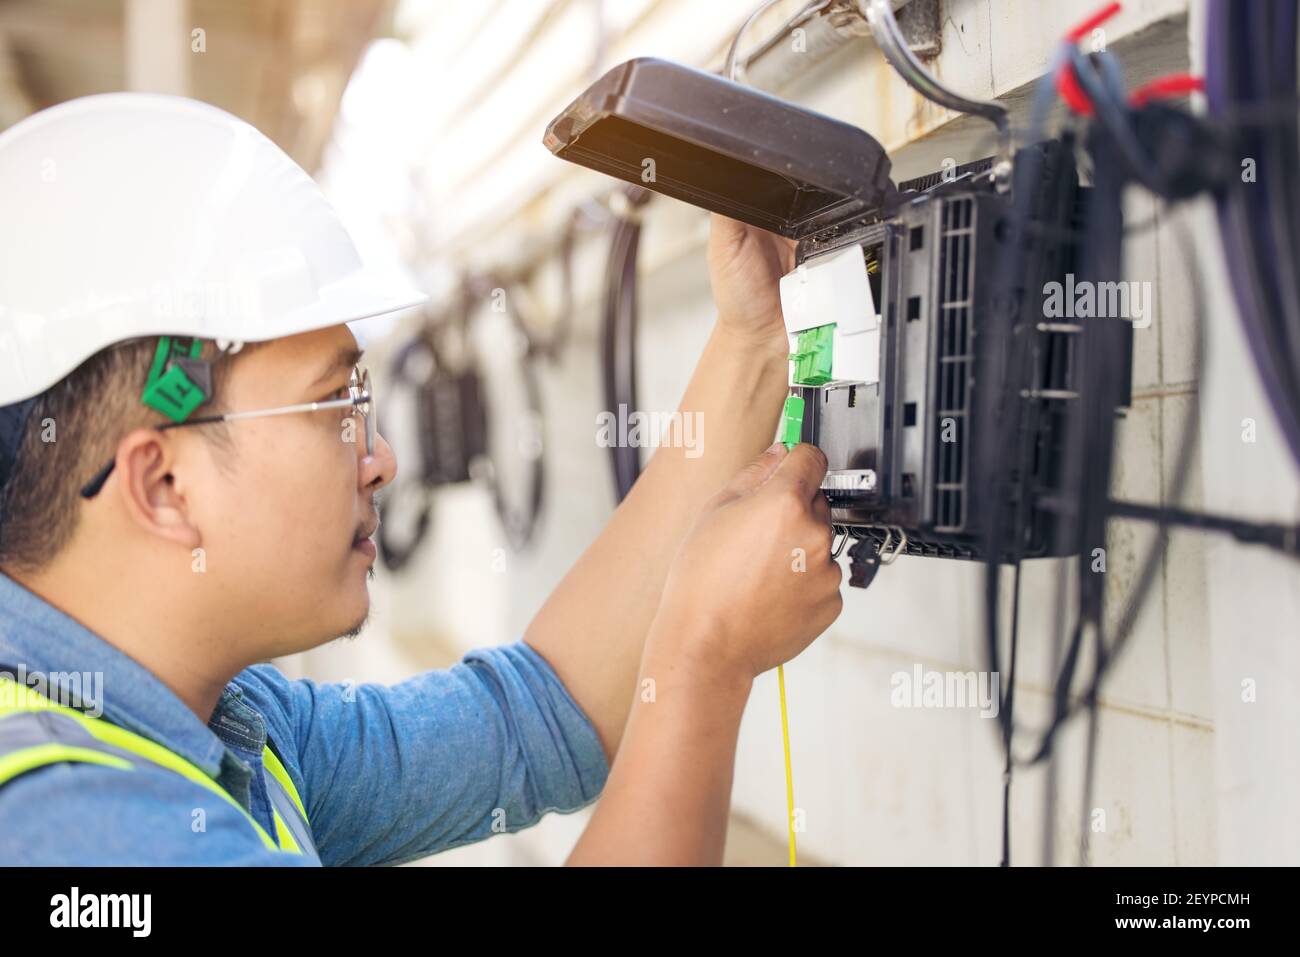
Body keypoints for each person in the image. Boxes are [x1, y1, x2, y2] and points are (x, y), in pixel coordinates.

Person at [0, 93, 841, 866]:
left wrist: (756, 341)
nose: (383, 459)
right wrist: (706, 657)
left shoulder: (224, 722)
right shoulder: (74, 830)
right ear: (164, 486)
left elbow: (533, 721)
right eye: (335, 402)